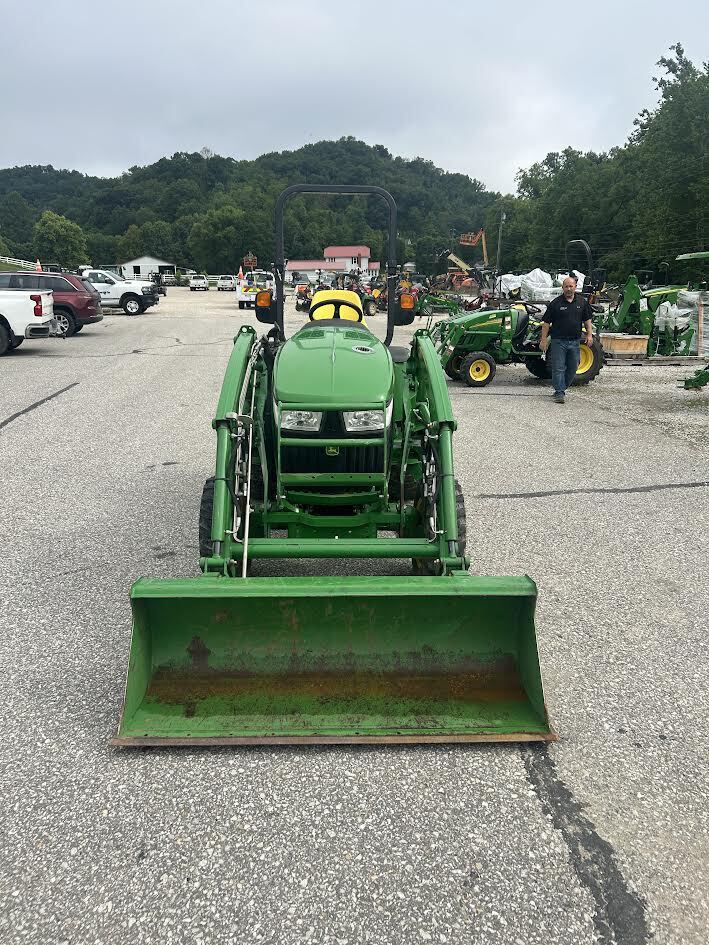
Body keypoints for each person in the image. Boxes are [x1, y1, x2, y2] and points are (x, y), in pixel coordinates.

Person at [540, 276, 593, 404]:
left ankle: (561, 388)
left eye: (571, 286)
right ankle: (559, 392)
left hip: (575, 341)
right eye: (566, 286)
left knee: (573, 367)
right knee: (558, 368)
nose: (569, 289)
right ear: (562, 288)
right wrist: (543, 339)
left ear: (575, 287)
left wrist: (589, 335)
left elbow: (587, 320)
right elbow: (546, 323)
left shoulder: (582, 302)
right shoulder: (555, 303)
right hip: (558, 341)